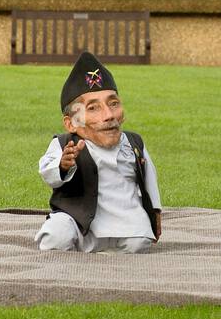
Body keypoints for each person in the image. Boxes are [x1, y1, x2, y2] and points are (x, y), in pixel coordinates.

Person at [34, 50, 162, 253]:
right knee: (57, 235)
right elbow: (47, 172)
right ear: (71, 123)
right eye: (93, 108)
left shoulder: (134, 143)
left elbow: (149, 179)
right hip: (79, 222)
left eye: (113, 104)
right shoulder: (65, 145)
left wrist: (155, 210)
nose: (109, 115)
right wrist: (63, 165)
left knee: (140, 242)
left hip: (124, 220)